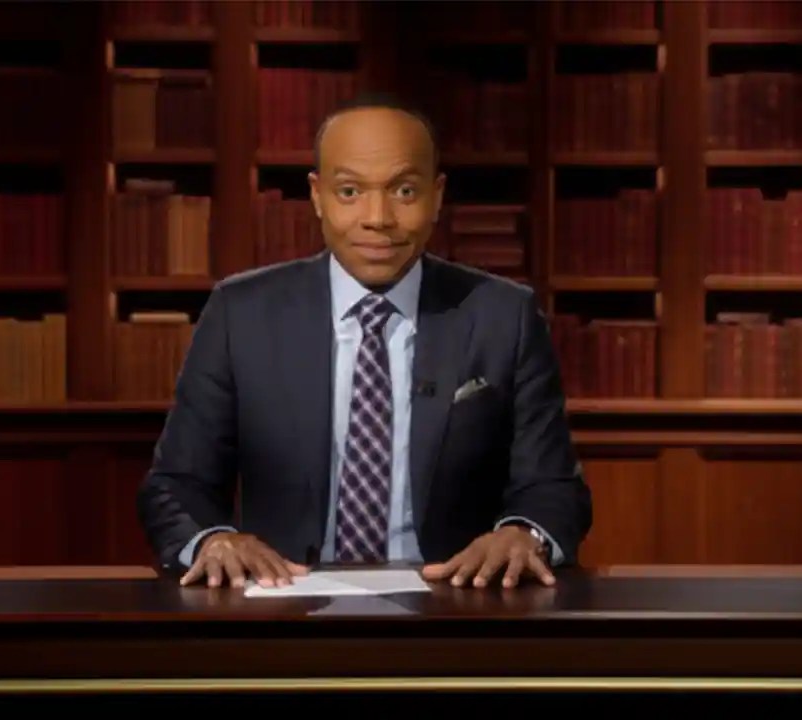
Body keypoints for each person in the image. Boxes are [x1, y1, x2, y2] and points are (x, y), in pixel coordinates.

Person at [137, 93, 591, 590]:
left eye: (404, 191)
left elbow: (554, 487)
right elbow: (176, 484)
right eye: (350, 191)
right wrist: (212, 540)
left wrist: (524, 534)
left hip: (455, 600)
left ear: (437, 195)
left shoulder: (504, 315)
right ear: (317, 195)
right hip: (283, 598)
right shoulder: (240, 313)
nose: (378, 218)